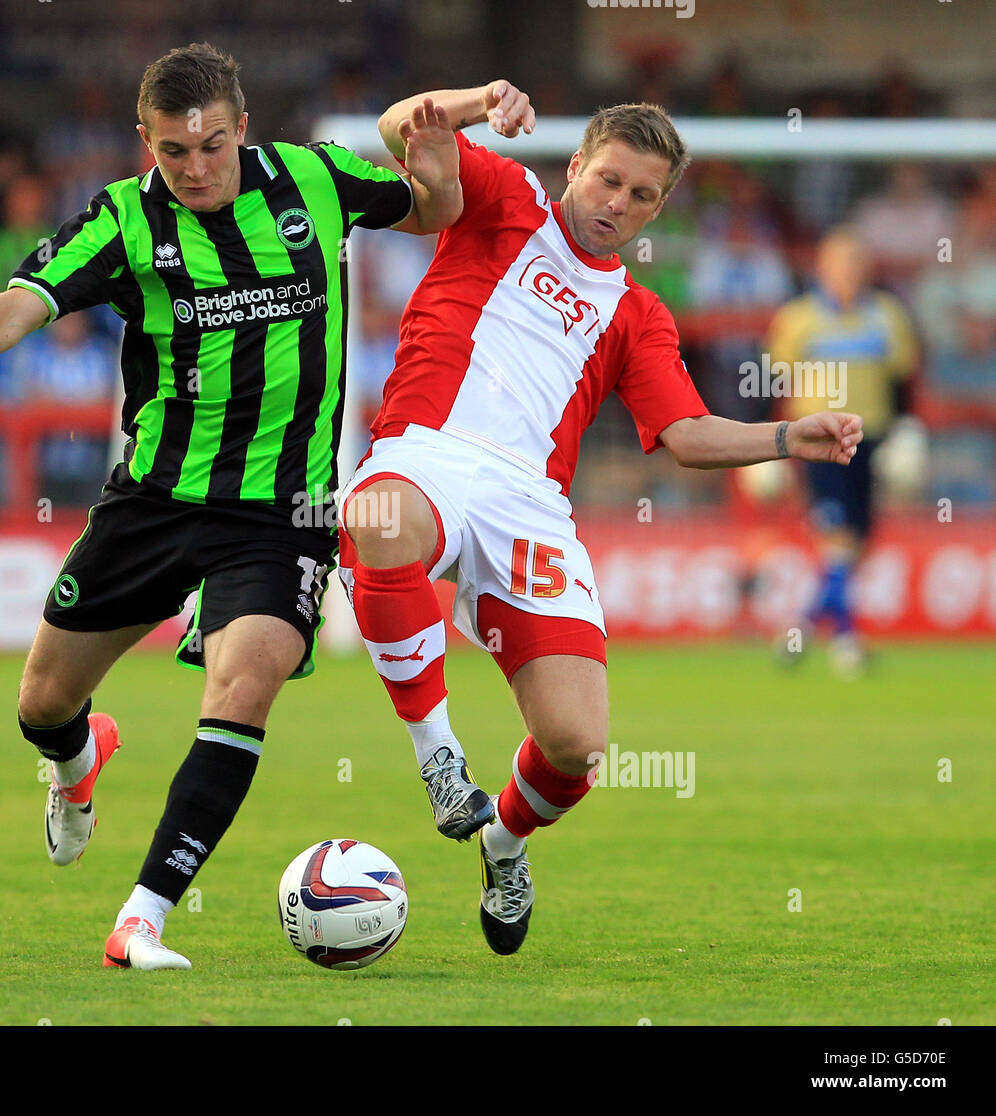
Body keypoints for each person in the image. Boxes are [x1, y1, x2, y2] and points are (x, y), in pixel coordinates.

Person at [0, 43, 463, 971]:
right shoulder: (124, 221)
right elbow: (20, 306)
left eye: (210, 147)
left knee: (244, 687)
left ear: (243, 129)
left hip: (283, 512)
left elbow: (433, 212)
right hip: (153, 502)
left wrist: (439, 170)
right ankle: (77, 767)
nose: (193, 168)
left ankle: (142, 918)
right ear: (144, 142)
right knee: (43, 704)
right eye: (171, 151)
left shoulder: (319, 179)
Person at [336, 81, 864, 956]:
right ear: (576, 167)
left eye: (643, 195)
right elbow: (400, 128)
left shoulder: (639, 312)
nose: (619, 204)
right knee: (379, 517)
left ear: (660, 206)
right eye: (609, 180)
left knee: (577, 746)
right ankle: (439, 758)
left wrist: (788, 436)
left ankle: (503, 842)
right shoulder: (505, 199)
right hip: (429, 448)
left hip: (532, 506)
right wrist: (479, 105)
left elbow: (686, 435)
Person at [766, 228, 919, 675]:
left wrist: (908, 427)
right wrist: (765, 444)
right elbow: (771, 381)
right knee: (837, 537)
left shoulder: (887, 315)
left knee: (859, 541)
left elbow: (902, 376)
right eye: (842, 263)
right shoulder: (799, 319)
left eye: (858, 263)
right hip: (820, 442)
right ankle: (848, 640)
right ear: (823, 267)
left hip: (872, 438)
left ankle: (804, 627)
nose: (850, 273)